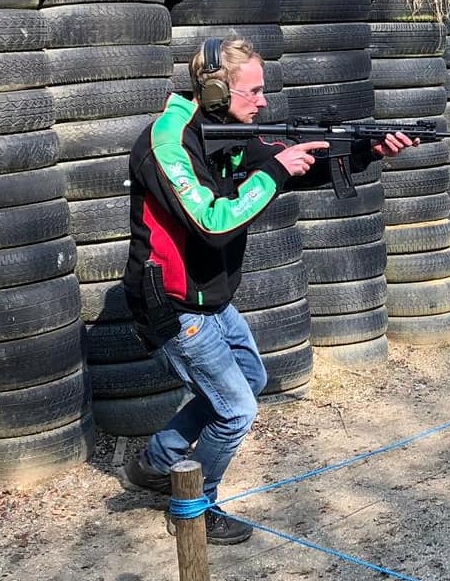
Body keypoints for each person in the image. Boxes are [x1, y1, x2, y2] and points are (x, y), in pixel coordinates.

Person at [118, 36, 416, 545]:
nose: (262, 102)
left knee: (250, 378)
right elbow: (212, 222)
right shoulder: (167, 143)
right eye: (252, 91)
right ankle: (193, 508)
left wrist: (366, 149)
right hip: (171, 302)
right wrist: (275, 171)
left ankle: (157, 461)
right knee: (236, 410)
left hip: (209, 297)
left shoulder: (228, 128)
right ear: (215, 91)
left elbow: (292, 164)